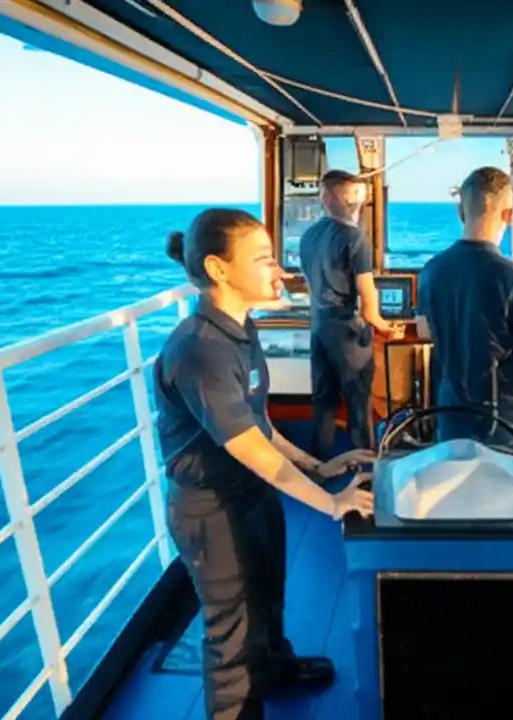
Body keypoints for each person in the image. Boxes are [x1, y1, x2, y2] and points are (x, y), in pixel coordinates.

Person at [155, 209, 375, 720]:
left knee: (268, 598)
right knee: (230, 635)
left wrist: (318, 466)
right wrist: (333, 504)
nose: (280, 271)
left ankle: (274, 667)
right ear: (218, 268)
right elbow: (249, 448)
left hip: (251, 493)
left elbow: (261, 425)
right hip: (212, 509)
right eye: (265, 260)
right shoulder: (200, 349)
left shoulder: (238, 327)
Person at [415, 166, 513, 452]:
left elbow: (424, 329)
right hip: (503, 421)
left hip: (450, 410)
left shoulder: (431, 271)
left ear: (460, 212)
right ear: (509, 215)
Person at [297, 169, 403, 459]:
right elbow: (368, 302)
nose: (358, 202)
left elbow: (308, 284)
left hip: (318, 324)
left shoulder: (309, 236)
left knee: (324, 400)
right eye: (353, 195)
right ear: (331, 197)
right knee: (359, 404)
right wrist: (386, 327)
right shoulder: (355, 238)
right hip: (347, 330)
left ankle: (319, 464)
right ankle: (366, 470)